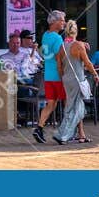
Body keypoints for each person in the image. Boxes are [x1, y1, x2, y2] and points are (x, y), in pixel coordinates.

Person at [53, 20, 94, 146]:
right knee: (76, 109)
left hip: (67, 80)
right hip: (77, 80)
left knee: (74, 107)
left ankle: (80, 134)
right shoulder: (79, 46)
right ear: (76, 31)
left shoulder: (62, 47)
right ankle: (63, 135)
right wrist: (95, 74)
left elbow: (59, 67)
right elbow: (87, 63)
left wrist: (63, 79)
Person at [32, 10, 66, 144]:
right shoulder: (57, 38)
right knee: (66, 104)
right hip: (58, 76)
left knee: (51, 104)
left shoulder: (46, 35)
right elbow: (61, 57)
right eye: (62, 20)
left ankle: (39, 128)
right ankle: (64, 132)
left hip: (48, 76)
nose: (64, 22)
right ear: (54, 22)